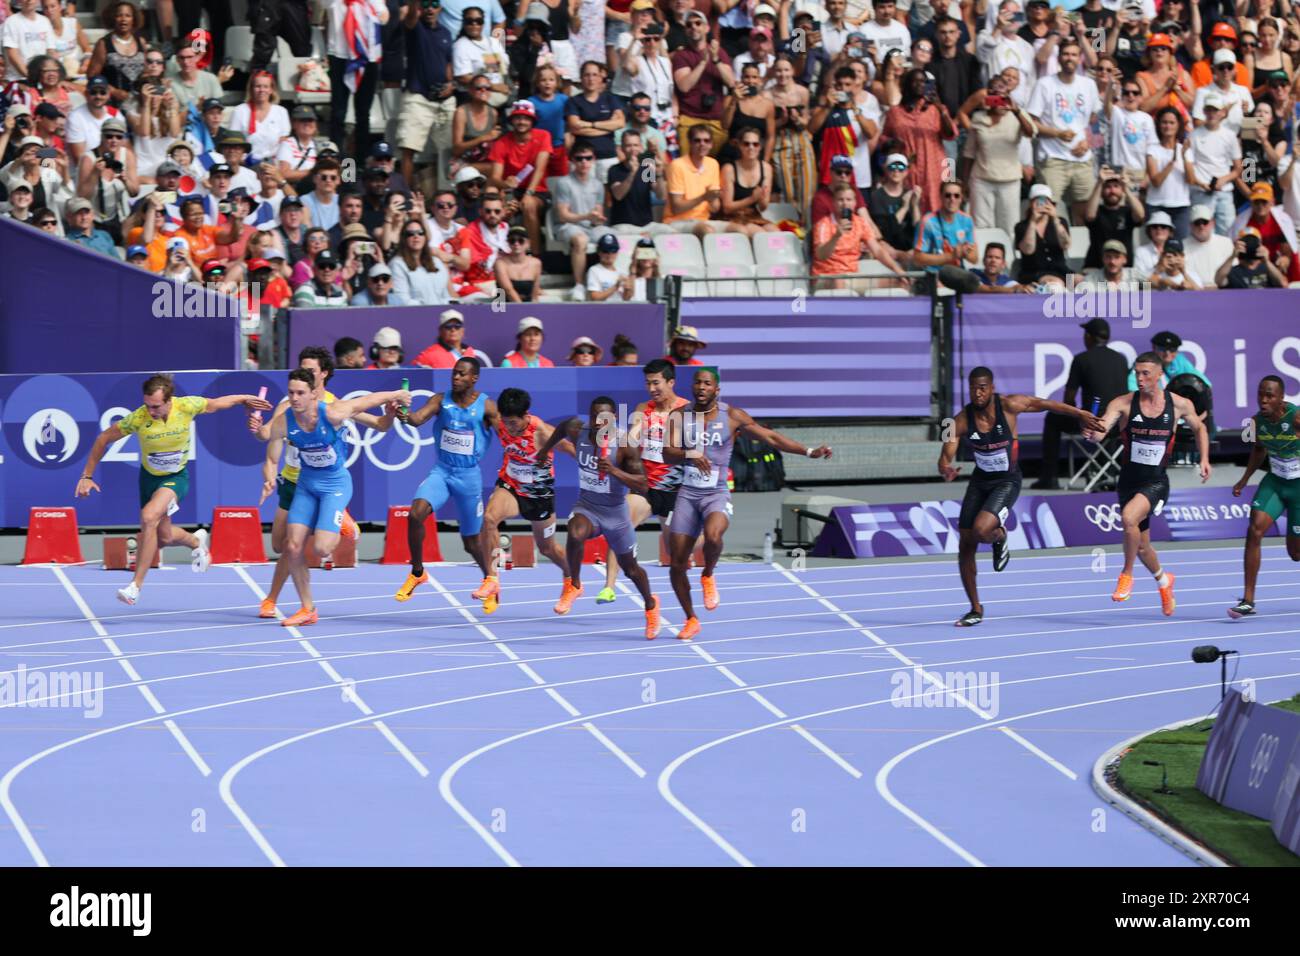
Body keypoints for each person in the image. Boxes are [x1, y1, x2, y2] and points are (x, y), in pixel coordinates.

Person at [661, 367, 831, 639]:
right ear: (692, 388)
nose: (701, 387)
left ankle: (708, 573)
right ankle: (691, 618)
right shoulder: (679, 416)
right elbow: (667, 453)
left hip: (715, 493)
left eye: (707, 384)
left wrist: (809, 452)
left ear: (716, 390)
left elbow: (771, 438)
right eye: (697, 383)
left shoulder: (733, 416)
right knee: (677, 563)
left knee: (714, 536)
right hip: (688, 494)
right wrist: (690, 454)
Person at [74, 374, 272, 606]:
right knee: (164, 536)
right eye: (147, 405)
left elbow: (217, 403)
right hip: (148, 480)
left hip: (176, 478)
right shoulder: (139, 418)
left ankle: (135, 586)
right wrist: (86, 476)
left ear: (169, 400)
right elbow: (103, 438)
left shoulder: (186, 406)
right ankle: (196, 542)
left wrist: (244, 399)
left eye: (156, 406)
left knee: (149, 517)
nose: (151, 410)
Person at [940, 367, 1103, 627]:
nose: (977, 392)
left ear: (992, 388)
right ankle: (975, 608)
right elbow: (945, 453)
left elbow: (1046, 404)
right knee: (965, 543)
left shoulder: (1010, 405)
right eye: (973, 388)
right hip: (980, 481)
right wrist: (945, 468)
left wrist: (1080, 414)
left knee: (982, 530)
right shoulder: (956, 421)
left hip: (1008, 480)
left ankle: (999, 536)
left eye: (982, 387)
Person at [259, 373, 411, 625]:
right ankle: (307, 609)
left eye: (300, 393)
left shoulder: (333, 412)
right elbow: (266, 437)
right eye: (291, 393)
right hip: (306, 486)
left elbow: (367, 401)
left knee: (321, 548)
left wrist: (396, 397)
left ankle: (341, 521)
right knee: (292, 546)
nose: (294, 398)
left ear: (313, 394)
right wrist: (256, 431)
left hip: (335, 486)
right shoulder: (284, 422)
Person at [1086, 352, 1211, 616]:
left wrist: (1205, 459)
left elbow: (1200, 428)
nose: (1140, 378)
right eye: (1136, 373)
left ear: (1158, 376)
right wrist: (1092, 433)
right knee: (1141, 546)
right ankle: (1165, 583)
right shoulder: (1122, 403)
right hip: (1128, 481)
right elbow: (1101, 431)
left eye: (1145, 374)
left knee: (1129, 518)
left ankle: (1126, 575)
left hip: (1156, 482)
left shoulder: (1178, 404)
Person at [534, 397, 660, 635]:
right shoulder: (578, 430)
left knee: (631, 569)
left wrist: (614, 471)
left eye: (606, 419)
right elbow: (560, 428)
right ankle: (575, 584)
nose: (600, 423)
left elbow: (644, 484)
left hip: (616, 514)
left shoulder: (624, 445)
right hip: (588, 506)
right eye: (595, 418)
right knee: (574, 531)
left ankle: (651, 605)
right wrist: (546, 449)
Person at [394, 358, 500, 605]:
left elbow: (506, 434)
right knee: (415, 514)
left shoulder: (487, 407)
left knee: (472, 543)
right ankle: (418, 573)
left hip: (469, 477)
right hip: (442, 472)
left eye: (462, 375)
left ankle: (490, 582)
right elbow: (418, 418)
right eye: (454, 373)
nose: (456, 378)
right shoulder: (440, 400)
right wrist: (404, 415)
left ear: (474, 378)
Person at [589, 357, 688, 603]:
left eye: (656, 383)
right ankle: (609, 586)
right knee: (618, 526)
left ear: (671, 382)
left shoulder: (687, 411)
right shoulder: (644, 409)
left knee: (677, 553)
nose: (652, 389)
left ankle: (706, 573)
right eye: (648, 384)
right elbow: (632, 438)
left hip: (675, 490)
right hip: (646, 485)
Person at [471, 386, 574, 612]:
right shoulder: (500, 421)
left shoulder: (542, 432)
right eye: (505, 422)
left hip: (539, 495)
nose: (509, 428)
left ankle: (571, 581)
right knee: (489, 519)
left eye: (514, 424)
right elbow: (477, 402)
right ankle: (492, 578)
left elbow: (569, 447)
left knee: (547, 548)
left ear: (526, 416)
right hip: (511, 484)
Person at [1229, 376, 1300, 618]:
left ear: (1282, 398)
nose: (1263, 400)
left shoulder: (1297, 418)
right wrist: (1244, 479)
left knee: (1296, 553)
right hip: (1276, 481)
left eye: (1269, 396)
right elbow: (1258, 449)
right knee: (1255, 529)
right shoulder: (1255, 422)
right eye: (1260, 394)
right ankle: (1248, 601)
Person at [1034, 317, 1130, 490]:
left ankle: (1050, 477)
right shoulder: (1121, 359)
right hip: (1116, 425)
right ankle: (1108, 472)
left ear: (1089, 337)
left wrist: (1077, 414)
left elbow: (1069, 399)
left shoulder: (1081, 360)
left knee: (1052, 418)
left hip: (1092, 423)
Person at [1027, 38, 1100, 223]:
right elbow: (1031, 123)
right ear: (1058, 58)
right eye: (1066, 54)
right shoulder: (1044, 84)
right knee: (1047, 211)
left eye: (1074, 55)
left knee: (1085, 214)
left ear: (1080, 58)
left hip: (1082, 160)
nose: (1070, 58)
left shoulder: (1088, 84)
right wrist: (1056, 133)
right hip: (1053, 160)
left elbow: (1095, 122)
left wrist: (1088, 142)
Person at [813, 181, 910, 290]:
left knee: (902, 282)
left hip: (852, 276)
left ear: (855, 203)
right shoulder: (824, 224)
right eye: (840, 200)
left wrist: (897, 269)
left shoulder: (861, 223)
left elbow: (877, 250)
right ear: (833, 203)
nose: (845, 204)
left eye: (849, 200)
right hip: (827, 277)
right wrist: (836, 236)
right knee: (838, 282)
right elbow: (820, 255)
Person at [487, 100, 552, 255]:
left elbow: (540, 169)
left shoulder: (543, 136)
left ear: (532, 120)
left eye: (526, 118)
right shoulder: (502, 142)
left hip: (536, 190)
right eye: (517, 118)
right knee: (494, 198)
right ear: (511, 120)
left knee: (528, 204)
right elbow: (494, 177)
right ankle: (494, 253)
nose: (522, 121)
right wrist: (505, 185)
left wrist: (528, 193)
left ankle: (534, 255)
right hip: (512, 190)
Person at [671, 10, 734, 153]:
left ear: (707, 28)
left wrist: (716, 60)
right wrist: (703, 62)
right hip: (689, 120)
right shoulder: (681, 55)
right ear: (685, 30)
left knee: (713, 169)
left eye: (698, 23)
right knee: (687, 168)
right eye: (689, 25)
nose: (693, 27)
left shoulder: (720, 53)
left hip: (715, 121)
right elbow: (684, 86)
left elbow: (731, 83)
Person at [553, 141, 615, 281]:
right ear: (572, 160)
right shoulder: (564, 183)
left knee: (611, 240)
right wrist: (586, 216)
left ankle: (609, 280)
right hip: (567, 226)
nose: (584, 162)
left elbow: (598, 213)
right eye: (579, 158)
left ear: (594, 159)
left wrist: (598, 219)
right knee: (581, 240)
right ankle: (579, 284)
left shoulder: (598, 184)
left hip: (590, 227)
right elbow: (562, 216)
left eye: (588, 158)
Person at [662, 123, 723, 236]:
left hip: (704, 220)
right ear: (690, 142)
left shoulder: (713, 164)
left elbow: (715, 209)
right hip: (677, 221)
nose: (702, 144)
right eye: (697, 140)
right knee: (708, 231)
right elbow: (676, 209)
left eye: (706, 141)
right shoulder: (677, 165)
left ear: (711, 144)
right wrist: (703, 197)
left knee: (739, 230)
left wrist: (712, 198)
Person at [606, 128, 669, 233]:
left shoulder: (646, 167)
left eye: (635, 145)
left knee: (671, 234)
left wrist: (659, 174)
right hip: (623, 225)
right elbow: (618, 195)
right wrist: (632, 173)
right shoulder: (615, 169)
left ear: (641, 147)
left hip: (646, 225)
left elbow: (661, 196)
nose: (632, 149)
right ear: (622, 148)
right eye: (628, 145)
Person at [1082, 166, 1145, 271]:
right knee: (1072, 279)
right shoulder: (1097, 210)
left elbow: (1140, 215)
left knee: (1146, 284)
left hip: (1124, 270)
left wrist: (1126, 188)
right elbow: (1089, 215)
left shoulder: (1128, 211)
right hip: (1096, 268)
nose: (1112, 190)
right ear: (1102, 191)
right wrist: (1099, 183)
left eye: (1116, 186)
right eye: (1108, 187)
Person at [720, 128, 777, 237]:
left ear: (760, 147)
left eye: (755, 144)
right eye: (746, 144)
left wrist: (762, 199)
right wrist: (751, 199)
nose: (751, 147)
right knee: (759, 234)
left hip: (754, 215)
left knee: (776, 233)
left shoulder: (766, 168)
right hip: (733, 217)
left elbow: (763, 207)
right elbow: (727, 208)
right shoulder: (729, 169)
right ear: (740, 146)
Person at [1014, 183, 1072, 288]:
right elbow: (1028, 250)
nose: (1042, 205)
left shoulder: (1060, 222)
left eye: (1045, 201)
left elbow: (1066, 245)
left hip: (1062, 272)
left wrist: (1055, 219)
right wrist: (1032, 221)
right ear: (1031, 203)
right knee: (1054, 285)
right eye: (1038, 201)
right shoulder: (1021, 226)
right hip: (1035, 274)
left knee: (1083, 283)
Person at [413, 308, 491, 367]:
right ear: (440, 331)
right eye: (448, 326)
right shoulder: (429, 354)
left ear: (462, 331)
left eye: (457, 326)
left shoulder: (469, 352)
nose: (453, 329)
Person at [1216, 227, 1289, 288]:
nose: (1250, 245)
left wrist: (1267, 261)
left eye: (1254, 242)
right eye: (1246, 243)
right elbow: (1219, 281)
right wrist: (1232, 256)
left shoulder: (1267, 269)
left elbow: (1283, 284)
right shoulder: (1233, 272)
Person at [494, 225, 543, 301]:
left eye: (521, 240)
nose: (516, 244)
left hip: (526, 308)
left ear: (528, 243)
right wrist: (522, 311)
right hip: (504, 308)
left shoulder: (536, 263)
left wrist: (534, 311)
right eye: (512, 241)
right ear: (508, 243)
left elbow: (534, 295)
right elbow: (509, 291)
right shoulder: (500, 263)